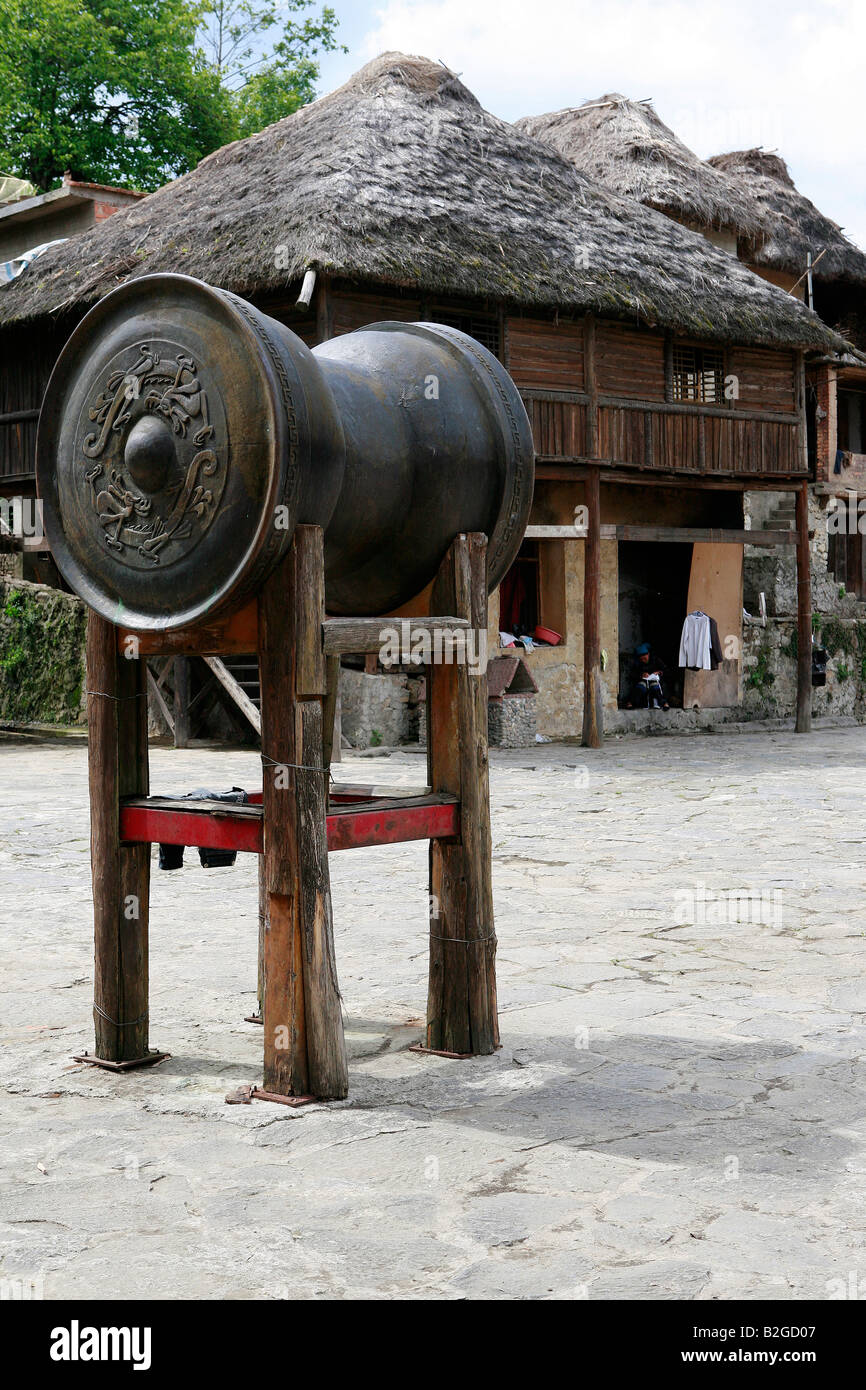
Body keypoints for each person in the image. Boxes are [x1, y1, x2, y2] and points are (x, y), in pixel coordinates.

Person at [626, 642, 669, 709]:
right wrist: (641, 675)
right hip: (643, 681)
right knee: (641, 686)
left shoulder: (656, 660)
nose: (643, 660)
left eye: (645, 658)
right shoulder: (637, 663)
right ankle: (630, 703)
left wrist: (659, 672)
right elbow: (632, 674)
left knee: (654, 685)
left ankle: (664, 703)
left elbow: (665, 670)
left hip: (656, 680)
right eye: (641, 659)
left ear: (648, 654)